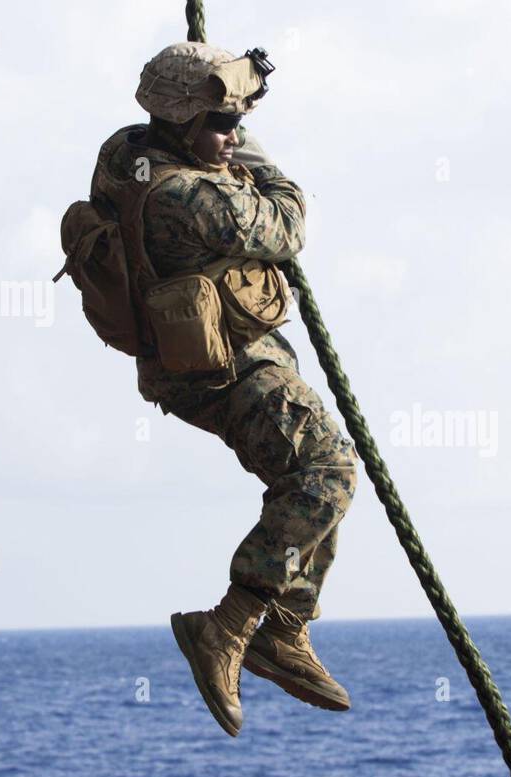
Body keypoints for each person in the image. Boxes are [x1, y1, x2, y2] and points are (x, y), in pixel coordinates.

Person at [89, 42, 358, 737]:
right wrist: (248, 155)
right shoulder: (194, 197)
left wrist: (225, 101)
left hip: (184, 361)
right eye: (217, 122)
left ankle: (286, 631)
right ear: (178, 122)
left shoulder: (124, 152)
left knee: (311, 479)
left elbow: (213, 145)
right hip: (227, 371)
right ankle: (232, 625)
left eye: (235, 120)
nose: (231, 135)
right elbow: (289, 221)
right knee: (327, 474)